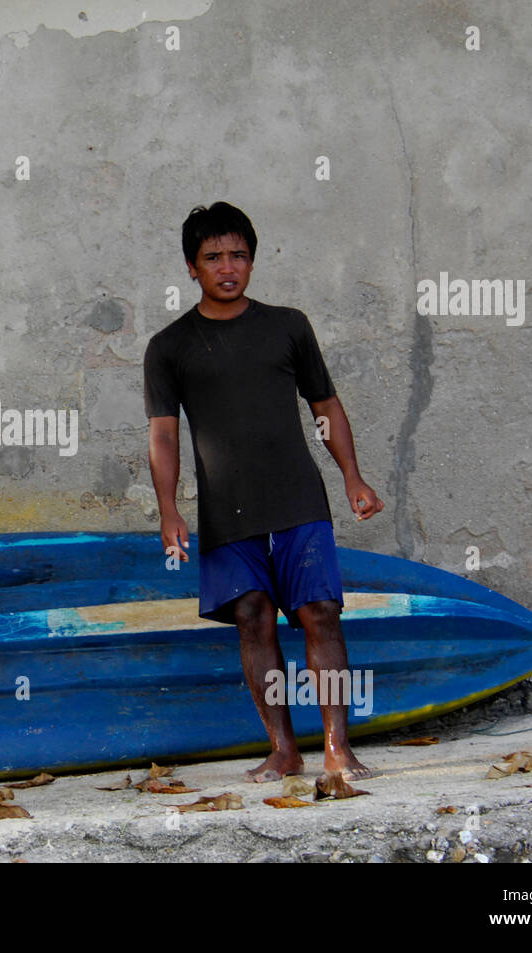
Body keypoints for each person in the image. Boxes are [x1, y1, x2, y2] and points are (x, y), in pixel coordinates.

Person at [143, 202, 385, 783]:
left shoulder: (288, 326)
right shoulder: (169, 347)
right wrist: (169, 509)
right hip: (228, 508)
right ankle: (283, 749)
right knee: (253, 615)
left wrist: (351, 474)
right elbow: (163, 433)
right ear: (191, 267)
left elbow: (324, 405)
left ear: (252, 259)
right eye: (213, 257)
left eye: (239, 255)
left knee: (319, 612)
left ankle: (337, 747)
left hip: (298, 496)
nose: (228, 267)